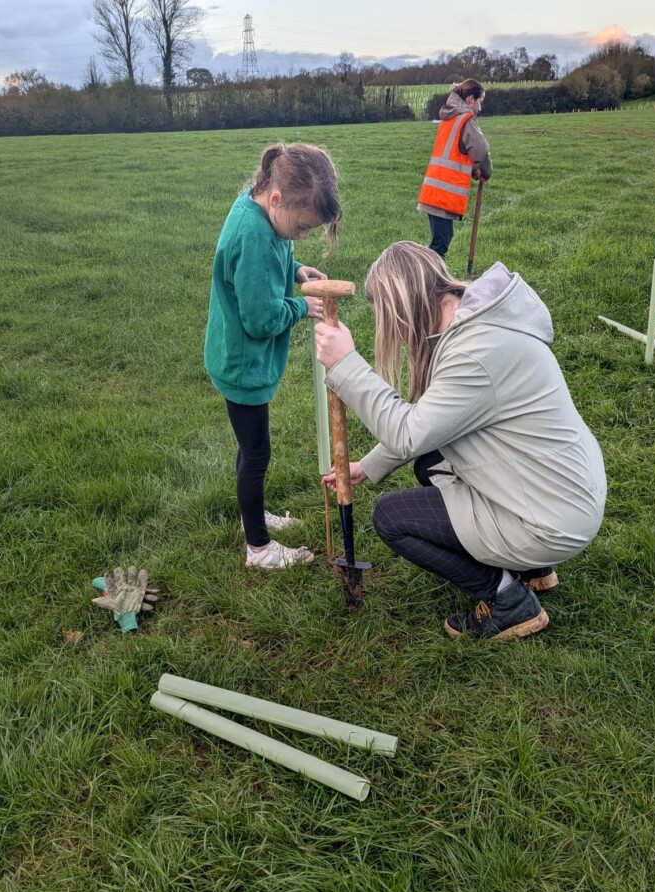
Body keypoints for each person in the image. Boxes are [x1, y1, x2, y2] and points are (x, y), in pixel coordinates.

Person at [314, 242, 607, 640]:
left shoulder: (474, 353)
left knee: (393, 519)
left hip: (551, 517)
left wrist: (346, 363)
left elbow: (407, 432)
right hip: (560, 492)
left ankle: (507, 598)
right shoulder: (478, 325)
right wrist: (368, 466)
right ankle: (532, 569)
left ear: (402, 307)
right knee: (428, 460)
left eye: (388, 320)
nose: (394, 334)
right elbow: (431, 424)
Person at [205, 142, 341, 570]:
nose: (301, 236)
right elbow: (262, 320)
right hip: (243, 363)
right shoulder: (257, 236)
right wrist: (303, 305)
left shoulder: (256, 204)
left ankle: (252, 516)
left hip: (237, 354)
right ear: (278, 199)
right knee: (257, 452)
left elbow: (274, 254)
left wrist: (295, 268)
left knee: (251, 449)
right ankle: (258, 549)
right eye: (301, 228)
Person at [419, 79, 492, 258]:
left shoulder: (449, 118)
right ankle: (427, 279)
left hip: (434, 191)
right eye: (479, 102)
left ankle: (431, 278)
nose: (479, 108)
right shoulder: (466, 119)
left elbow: (455, 153)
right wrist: (485, 170)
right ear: (470, 100)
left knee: (441, 239)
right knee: (440, 244)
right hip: (443, 192)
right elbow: (481, 151)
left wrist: (472, 170)